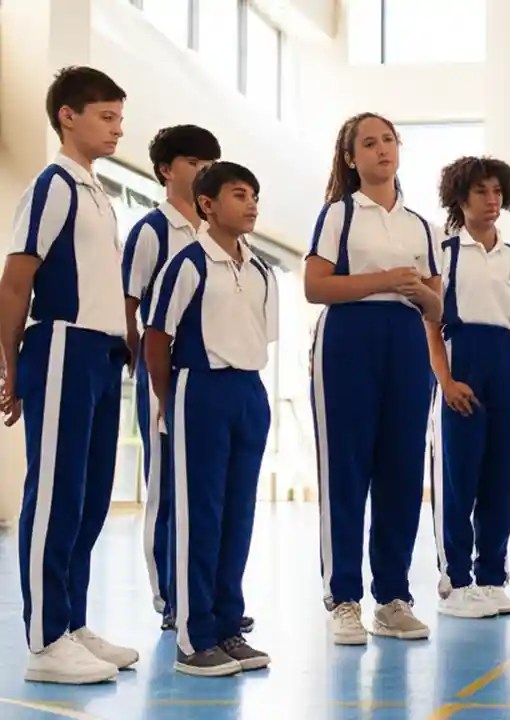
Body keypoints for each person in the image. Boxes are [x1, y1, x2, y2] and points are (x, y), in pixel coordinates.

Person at [0, 66, 138, 685]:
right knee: (53, 496)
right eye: (105, 117)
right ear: (68, 117)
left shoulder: (96, 192)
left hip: (101, 358)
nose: (117, 128)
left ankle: (73, 622)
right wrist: (7, 364)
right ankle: (43, 642)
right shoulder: (53, 183)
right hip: (59, 347)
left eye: (119, 117)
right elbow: (16, 278)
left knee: (87, 501)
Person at [306, 112, 442, 645]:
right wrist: (385, 279)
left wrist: (418, 292)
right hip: (349, 340)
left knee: (403, 471)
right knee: (347, 469)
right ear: (351, 157)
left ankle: (392, 597)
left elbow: (437, 307)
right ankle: (343, 598)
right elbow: (316, 287)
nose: (382, 149)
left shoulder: (419, 225)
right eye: (370, 142)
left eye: (388, 140)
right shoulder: (339, 214)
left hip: (406, 342)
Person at [146, 161, 275, 677]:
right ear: (207, 204)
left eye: (255, 196)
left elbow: (259, 337)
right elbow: (158, 338)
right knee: (199, 514)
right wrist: (169, 398)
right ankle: (193, 636)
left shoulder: (261, 268)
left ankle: (225, 626)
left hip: (249, 391)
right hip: (199, 387)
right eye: (240, 194)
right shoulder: (188, 264)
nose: (251, 204)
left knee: (238, 516)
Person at [121, 124, 250, 634]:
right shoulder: (153, 231)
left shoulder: (216, 238)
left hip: (212, 389)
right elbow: (131, 308)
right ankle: (170, 597)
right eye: (192, 162)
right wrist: (152, 384)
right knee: (166, 493)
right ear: (166, 171)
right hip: (166, 380)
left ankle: (208, 598)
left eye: (209, 162)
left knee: (211, 495)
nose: (203, 170)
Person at [426, 155, 510, 619]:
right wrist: (446, 380)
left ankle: (492, 576)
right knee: (460, 478)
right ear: (461, 197)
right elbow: (431, 326)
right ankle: (455, 580)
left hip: (506, 364)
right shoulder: (445, 252)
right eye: (481, 192)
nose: (491, 200)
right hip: (464, 358)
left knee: (504, 475)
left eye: (497, 191)